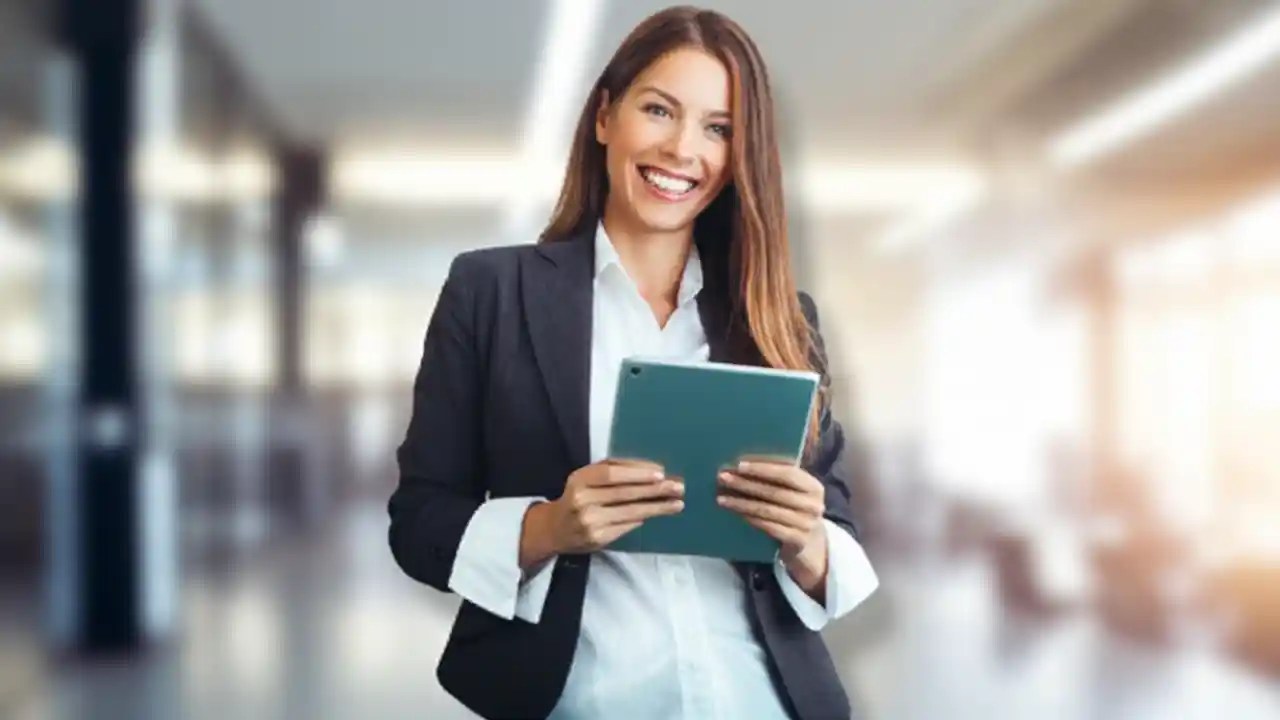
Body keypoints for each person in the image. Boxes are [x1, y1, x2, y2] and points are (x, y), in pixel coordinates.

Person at [388, 6, 878, 719]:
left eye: (719, 128)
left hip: (759, 699)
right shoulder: (490, 292)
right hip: (581, 699)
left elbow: (839, 543)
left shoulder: (781, 319)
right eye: (659, 110)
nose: (684, 149)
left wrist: (807, 540)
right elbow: (420, 522)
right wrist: (550, 527)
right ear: (604, 117)